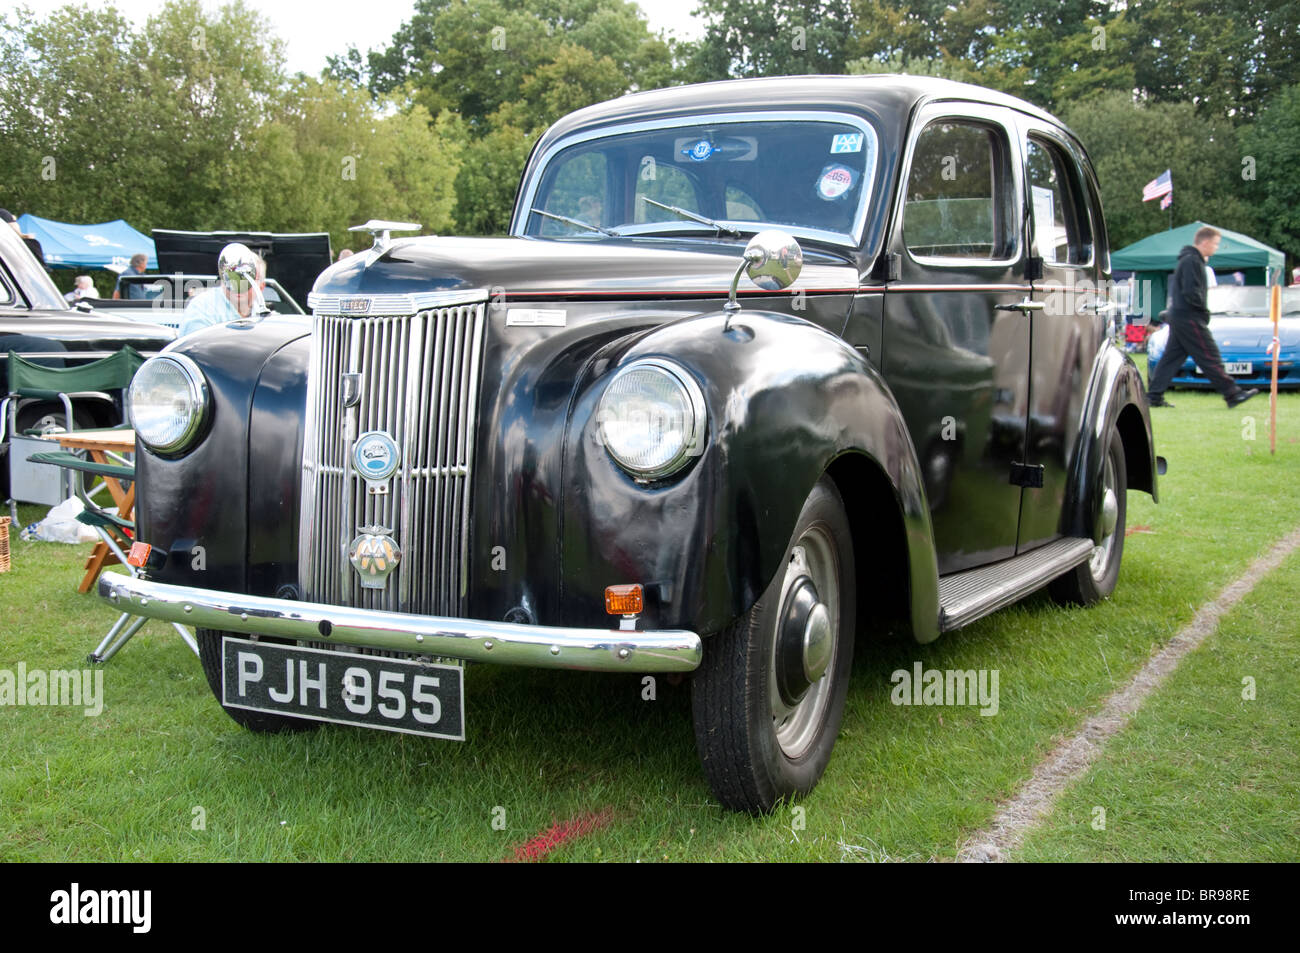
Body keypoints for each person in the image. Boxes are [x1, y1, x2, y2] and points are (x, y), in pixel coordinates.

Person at [1146, 226, 1257, 409]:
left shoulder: (1189, 260)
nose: (1216, 248)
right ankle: (1232, 393)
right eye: (1215, 244)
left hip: (1181, 316)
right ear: (1204, 243)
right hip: (1189, 316)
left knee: (1171, 359)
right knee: (1209, 355)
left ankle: (1154, 397)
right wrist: (1202, 311)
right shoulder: (1192, 261)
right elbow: (1191, 291)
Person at [180, 243, 267, 337]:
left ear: (261, 287)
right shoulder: (202, 308)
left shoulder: (264, 316)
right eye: (235, 275)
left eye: (249, 277)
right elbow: (195, 347)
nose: (239, 283)